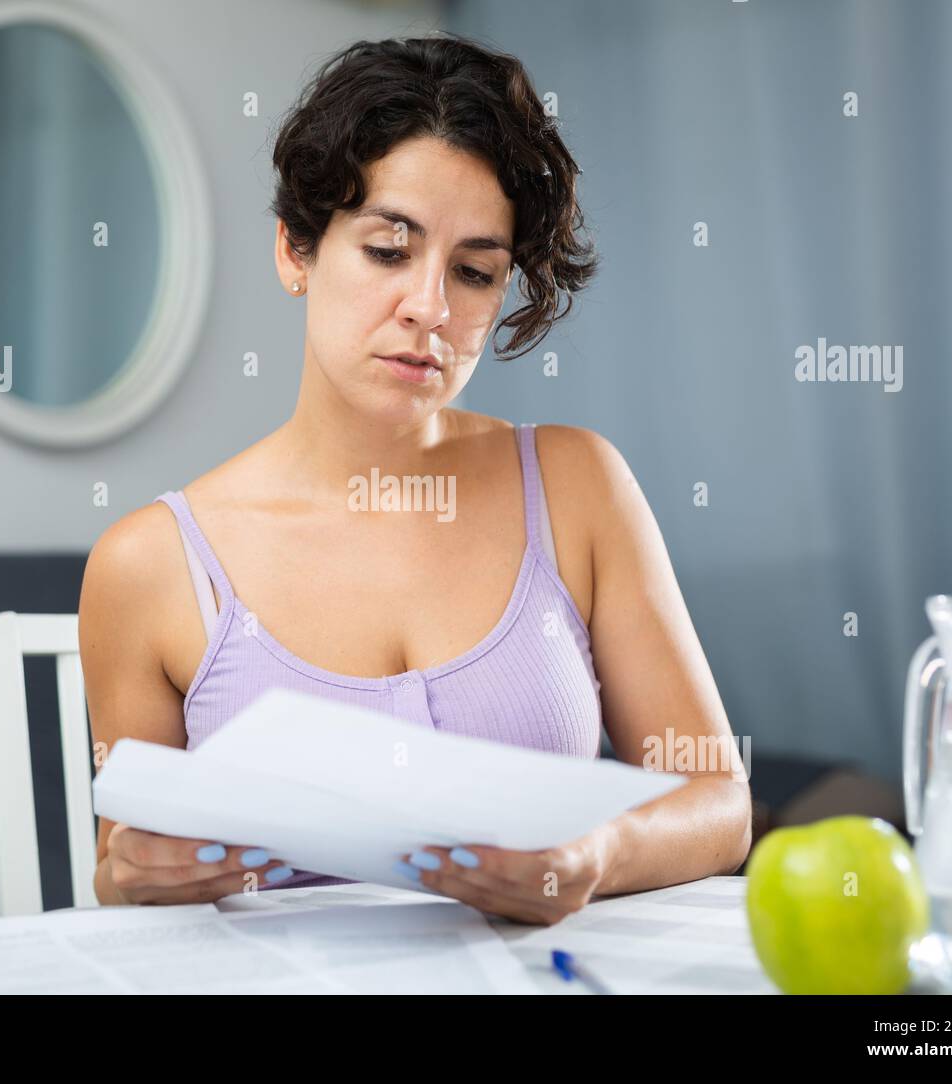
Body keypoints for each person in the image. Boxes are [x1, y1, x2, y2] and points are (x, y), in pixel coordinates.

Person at [80, 32, 750, 926]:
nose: (430, 309)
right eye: (389, 250)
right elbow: (121, 875)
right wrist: (135, 872)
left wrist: (593, 854)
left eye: (474, 272)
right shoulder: (150, 565)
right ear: (296, 251)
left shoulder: (578, 485)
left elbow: (717, 802)